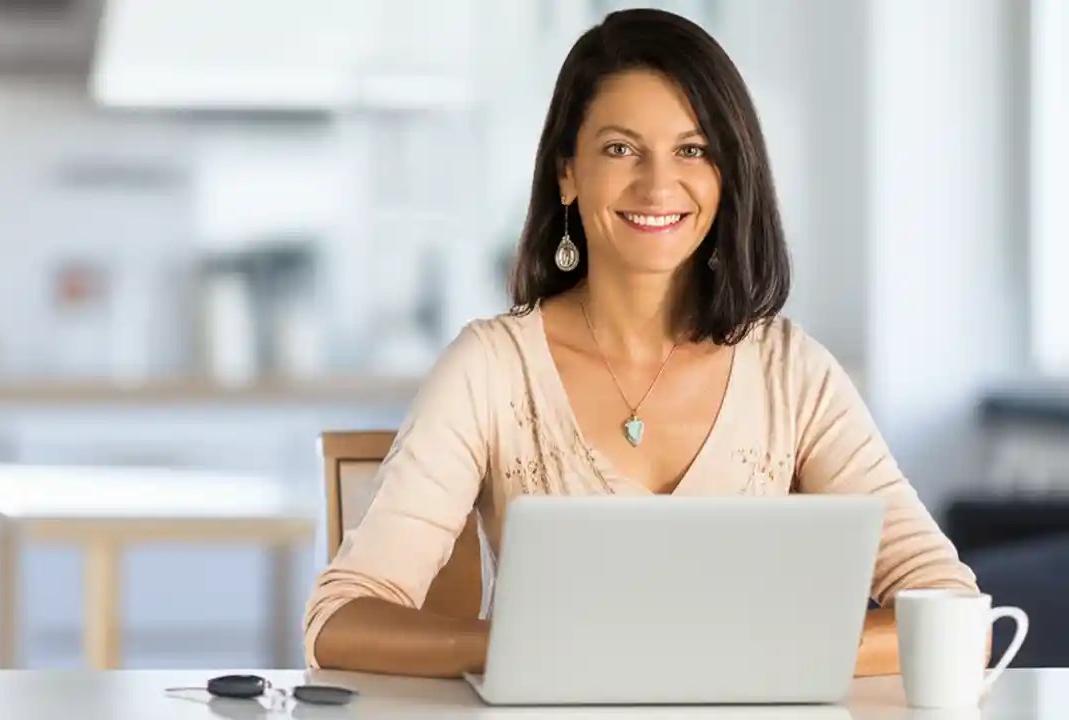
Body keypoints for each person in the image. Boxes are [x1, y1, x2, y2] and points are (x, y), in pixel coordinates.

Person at [303, 8, 978, 678]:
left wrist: (766, 653)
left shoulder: (791, 374)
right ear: (568, 171)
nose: (658, 185)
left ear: (726, 175)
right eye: (621, 149)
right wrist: (521, 649)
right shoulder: (491, 369)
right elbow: (340, 622)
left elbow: (954, 615)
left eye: (692, 150)